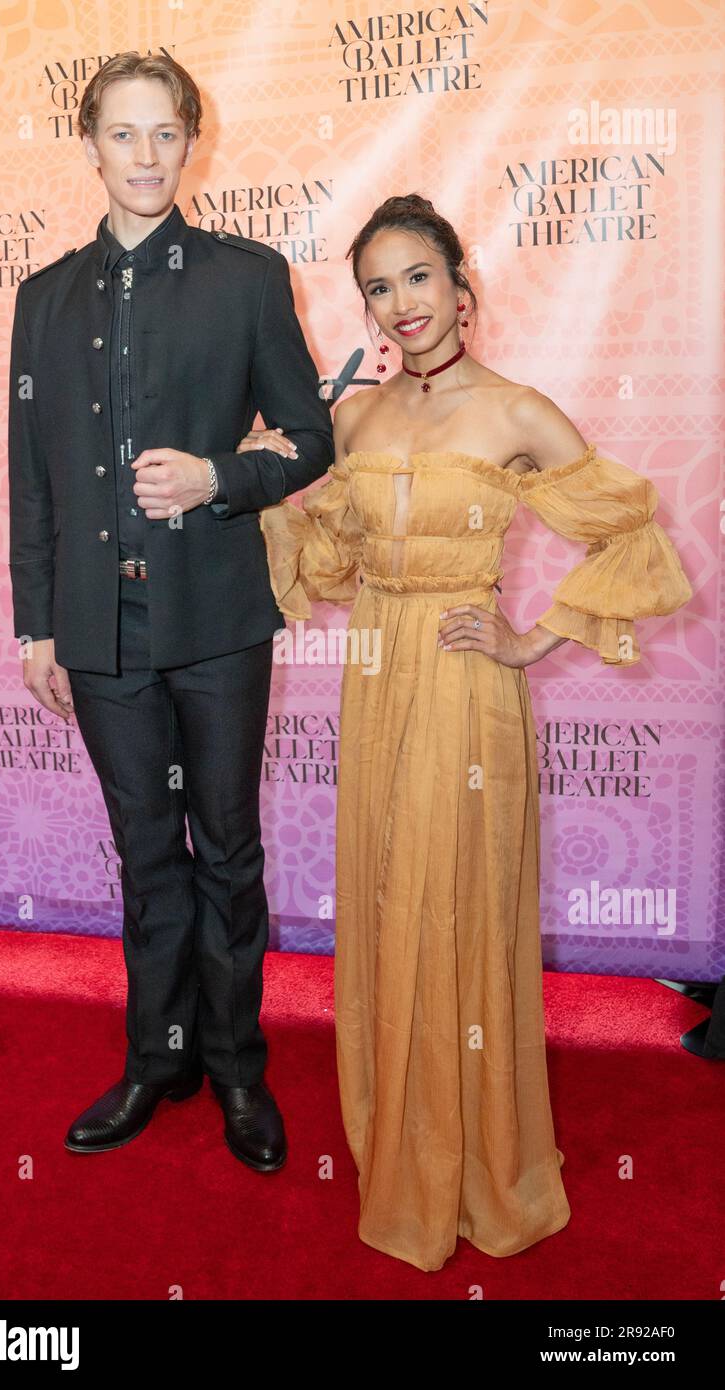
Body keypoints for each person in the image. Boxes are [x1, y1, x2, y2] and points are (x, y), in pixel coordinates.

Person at [246, 193, 694, 1270]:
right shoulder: (355, 419)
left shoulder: (516, 412)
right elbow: (336, 565)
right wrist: (263, 491)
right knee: (389, 897)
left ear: (459, 286)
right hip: (374, 678)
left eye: (417, 277)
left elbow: (630, 534)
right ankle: (405, 1147)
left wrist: (531, 639)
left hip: (463, 682)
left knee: (457, 900)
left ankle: (479, 1162)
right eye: (378, 288)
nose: (400, 303)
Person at [7, 52, 334, 1169]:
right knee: (146, 853)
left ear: (192, 140)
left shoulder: (247, 278)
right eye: (122, 133)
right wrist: (37, 624)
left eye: (164, 133)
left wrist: (216, 476)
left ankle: (237, 1067)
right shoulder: (43, 298)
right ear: (88, 145)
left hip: (218, 624)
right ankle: (161, 1057)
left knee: (228, 851)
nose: (145, 156)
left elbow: (310, 438)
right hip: (98, 632)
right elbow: (32, 477)